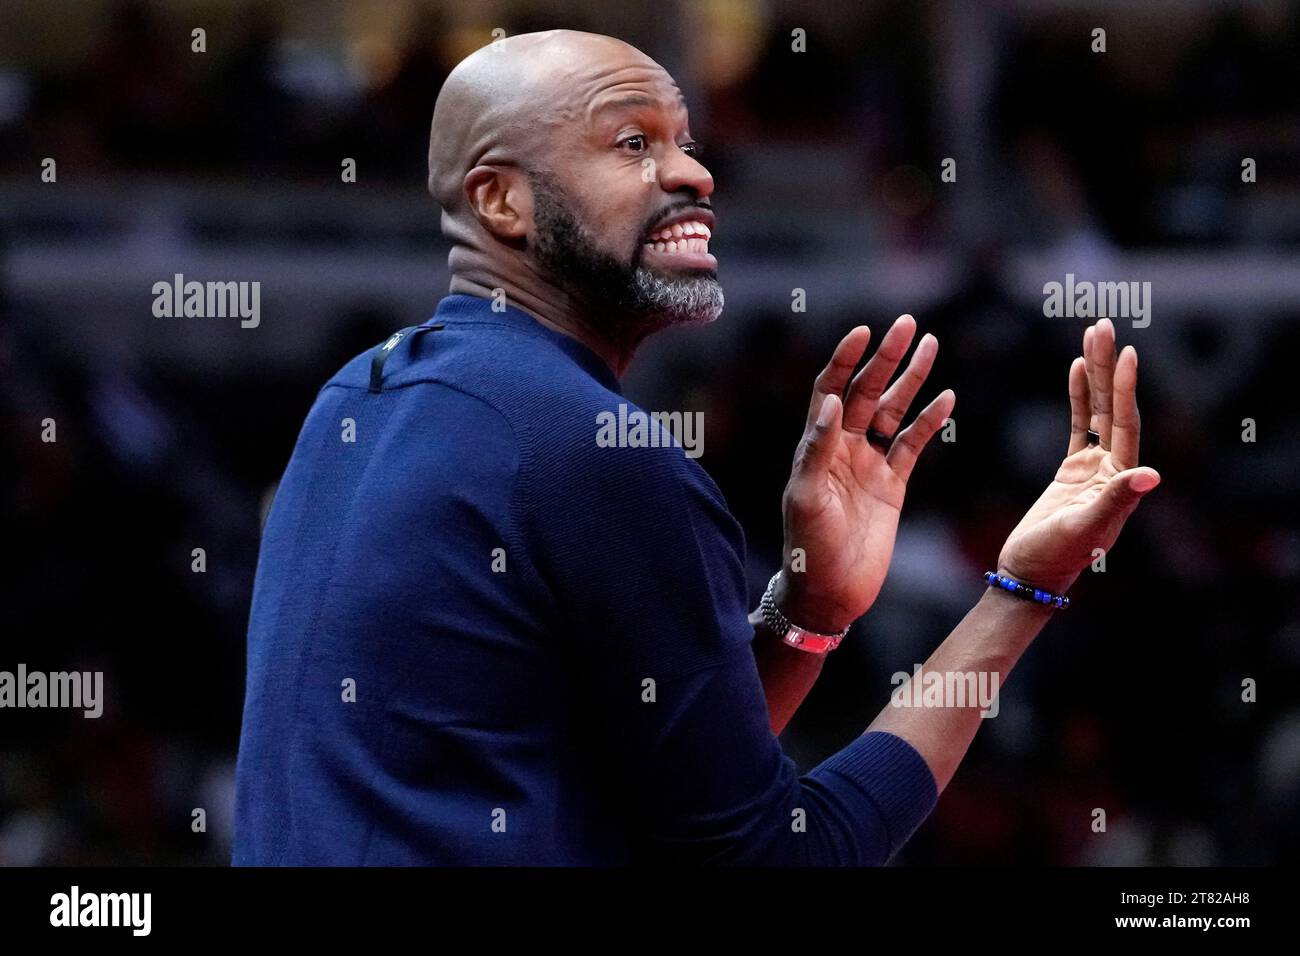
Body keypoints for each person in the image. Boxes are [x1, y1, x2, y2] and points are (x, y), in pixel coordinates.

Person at [231, 30, 1160, 865]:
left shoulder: (351, 399)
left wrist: (807, 612)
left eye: (685, 141)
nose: (693, 175)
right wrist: (1022, 591)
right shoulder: (592, 451)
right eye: (633, 143)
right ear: (501, 201)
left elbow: (670, 784)